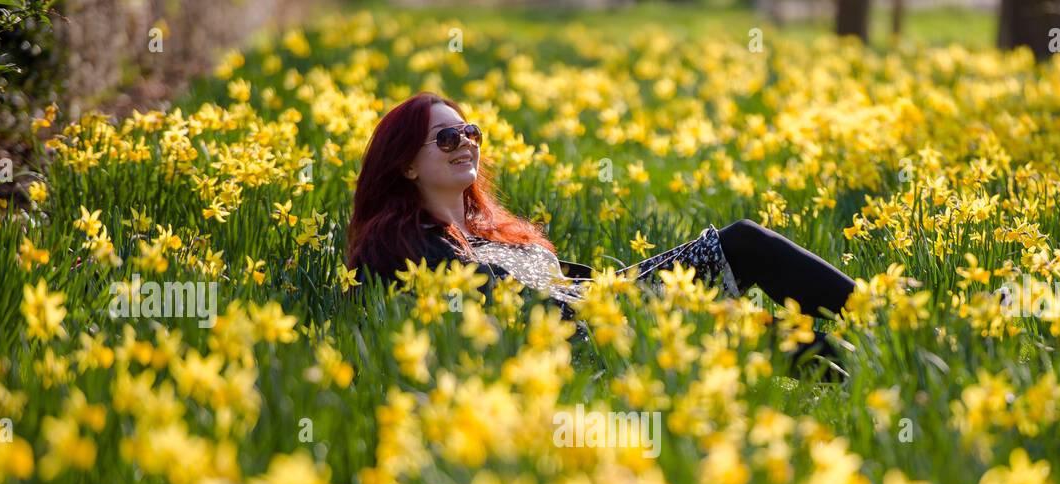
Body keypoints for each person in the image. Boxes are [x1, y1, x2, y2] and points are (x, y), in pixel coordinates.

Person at [346, 92, 856, 373]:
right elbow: (506, 313)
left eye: (471, 132)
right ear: (407, 165)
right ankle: (878, 357)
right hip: (592, 335)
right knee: (739, 324)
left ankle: (878, 328)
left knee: (743, 242)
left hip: (612, 304)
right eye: (447, 137)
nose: (467, 143)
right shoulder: (404, 244)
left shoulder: (492, 229)